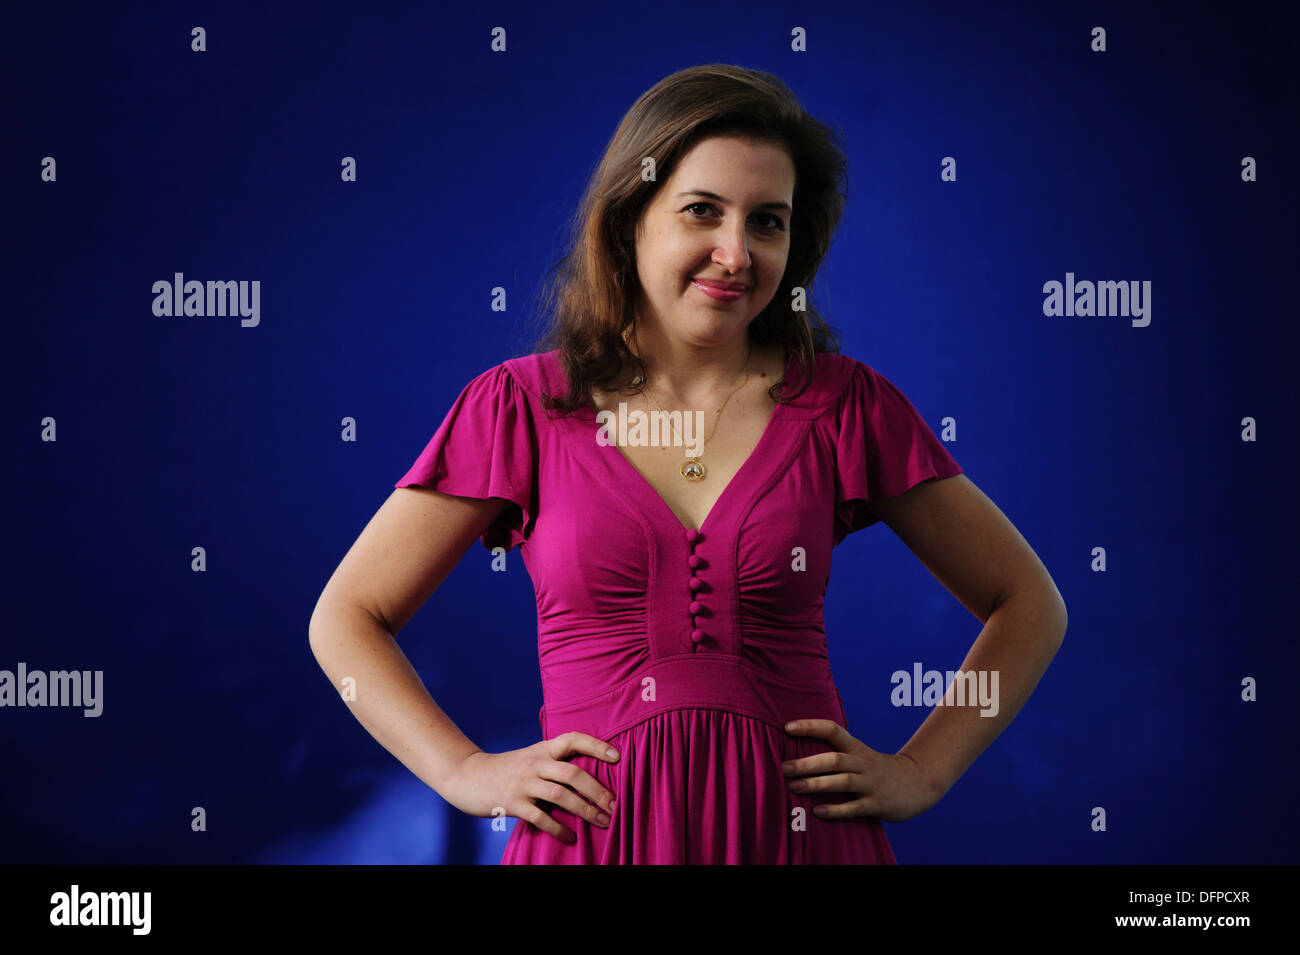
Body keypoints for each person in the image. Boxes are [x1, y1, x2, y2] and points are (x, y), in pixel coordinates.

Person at [308, 64, 1067, 864]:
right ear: (630, 221)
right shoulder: (518, 409)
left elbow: (1027, 602)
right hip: (593, 845)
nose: (736, 253)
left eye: (768, 222)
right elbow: (347, 617)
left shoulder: (846, 406)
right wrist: (462, 770)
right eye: (702, 211)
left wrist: (922, 769)